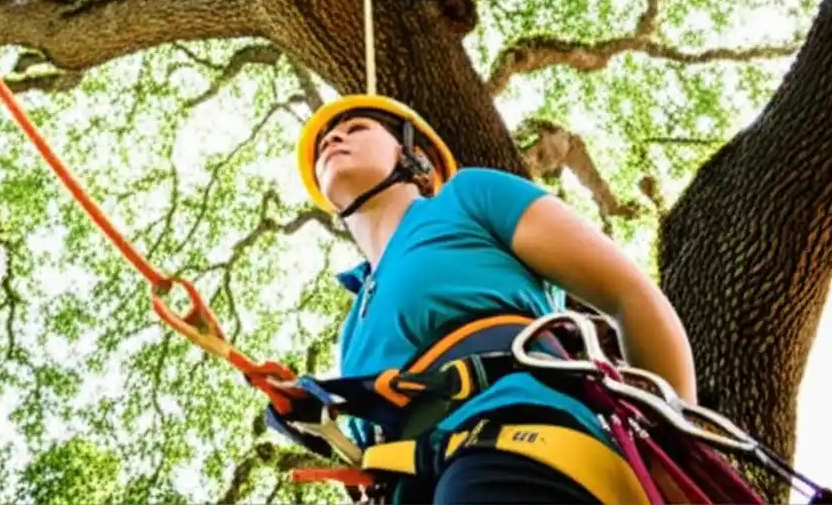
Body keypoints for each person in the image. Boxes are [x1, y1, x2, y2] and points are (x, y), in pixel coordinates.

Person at [293, 94, 697, 504]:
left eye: (356, 128)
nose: (333, 137)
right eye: (326, 137)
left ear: (417, 157)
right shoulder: (353, 326)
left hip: (514, 446)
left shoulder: (467, 198)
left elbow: (628, 294)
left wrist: (675, 457)